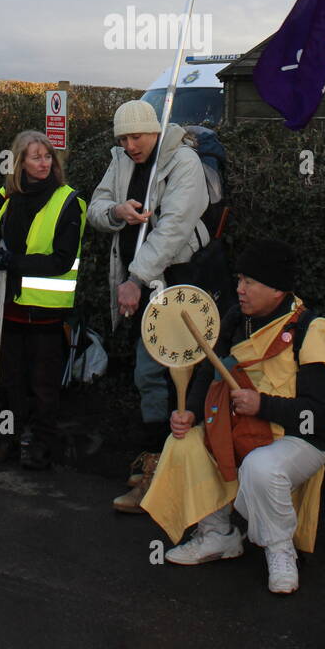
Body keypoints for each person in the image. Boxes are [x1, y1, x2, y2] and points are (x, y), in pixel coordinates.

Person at [144, 239, 325, 594]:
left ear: (276, 289)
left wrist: (263, 406)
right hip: (242, 426)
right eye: (239, 280)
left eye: (249, 282)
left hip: (299, 439)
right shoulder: (235, 320)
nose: (239, 289)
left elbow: (320, 413)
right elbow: (210, 373)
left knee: (261, 466)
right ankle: (218, 534)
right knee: (185, 443)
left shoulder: (311, 331)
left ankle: (280, 550)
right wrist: (191, 413)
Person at [87, 100, 210, 511]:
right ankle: (157, 463)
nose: (129, 145)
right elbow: (96, 209)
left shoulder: (184, 163)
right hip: (140, 281)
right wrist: (117, 211)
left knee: (168, 374)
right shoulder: (120, 162)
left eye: (136, 136)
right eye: (122, 138)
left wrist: (136, 280)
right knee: (151, 375)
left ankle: (163, 474)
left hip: (177, 281)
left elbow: (174, 228)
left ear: (154, 131)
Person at [0, 130, 86, 469]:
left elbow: (61, 260)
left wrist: (12, 263)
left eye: (47, 156)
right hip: (9, 308)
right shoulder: (5, 196)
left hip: (46, 313)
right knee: (9, 384)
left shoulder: (70, 201)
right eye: (35, 156)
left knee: (43, 386)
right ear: (20, 161)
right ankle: (8, 438)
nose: (44, 163)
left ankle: (41, 446)